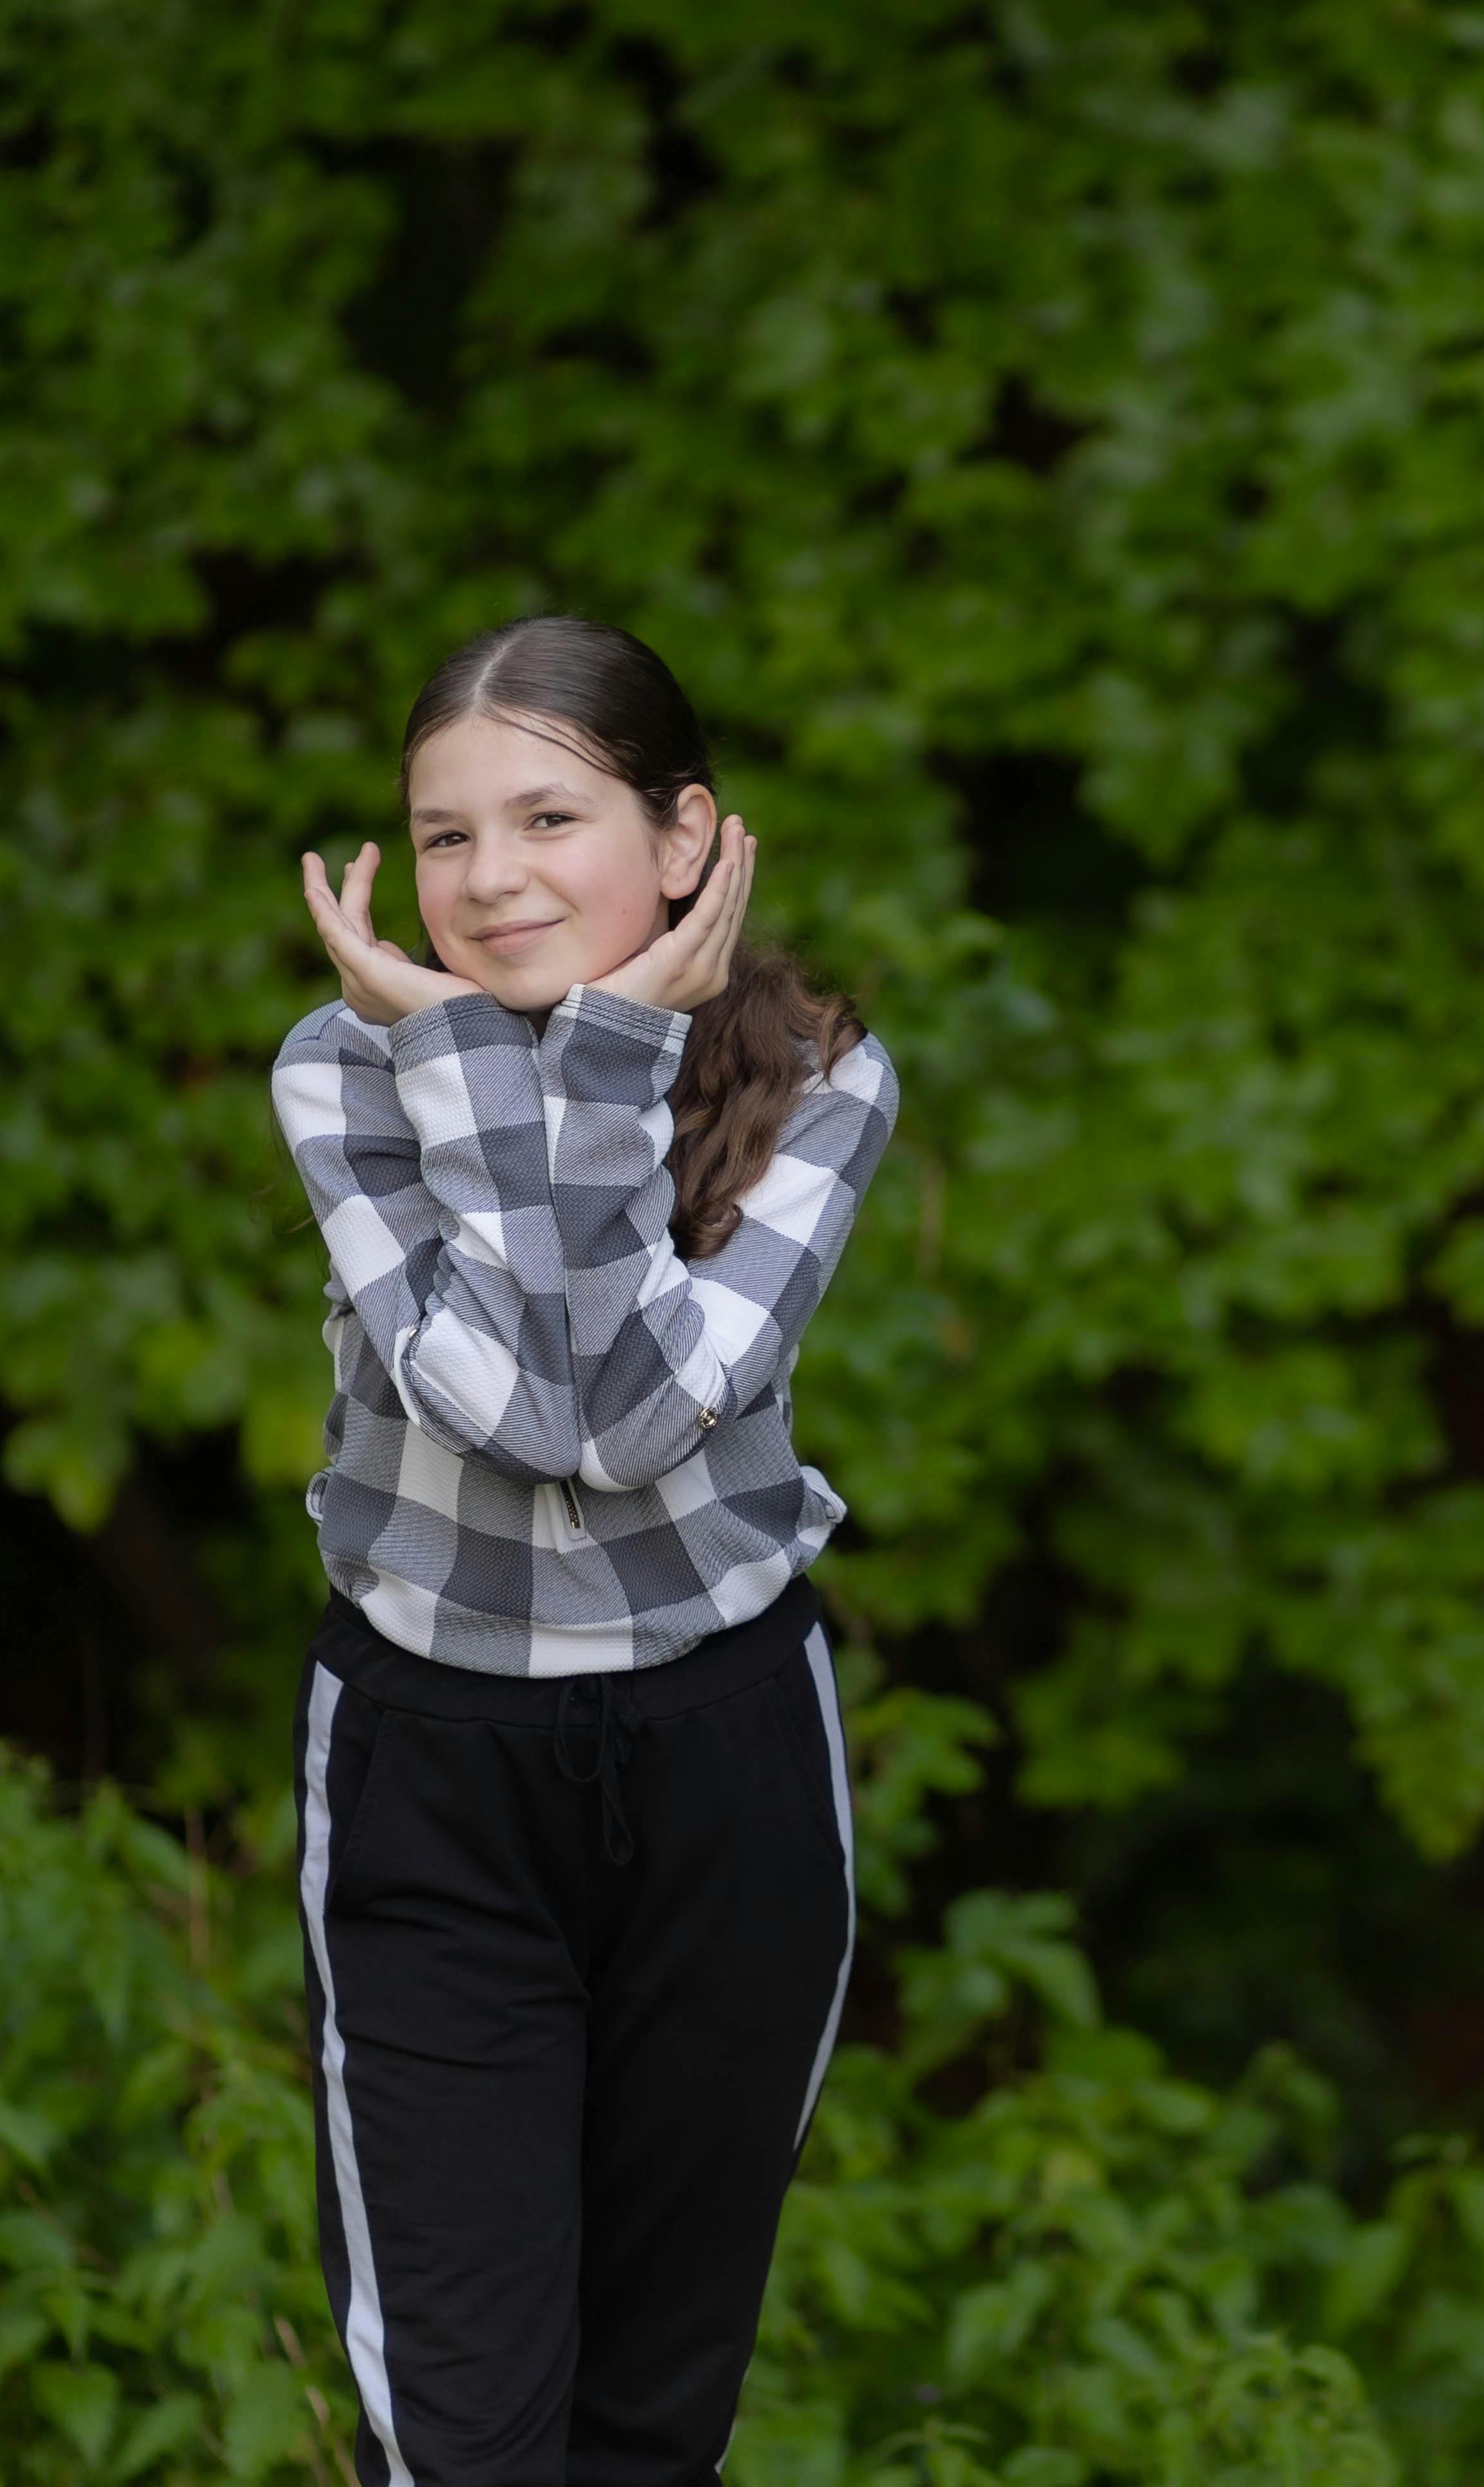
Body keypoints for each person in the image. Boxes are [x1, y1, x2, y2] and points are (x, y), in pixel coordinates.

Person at [269, 614, 900, 2486]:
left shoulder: (820, 1080)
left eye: (550, 817)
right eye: (444, 833)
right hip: (433, 1779)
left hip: (725, 1765)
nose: (487, 878)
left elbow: (629, 1428)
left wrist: (612, 1056)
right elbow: (532, 1419)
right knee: (463, 2445)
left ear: (689, 836)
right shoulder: (343, 1073)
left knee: (651, 2428)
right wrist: (541, 1064)